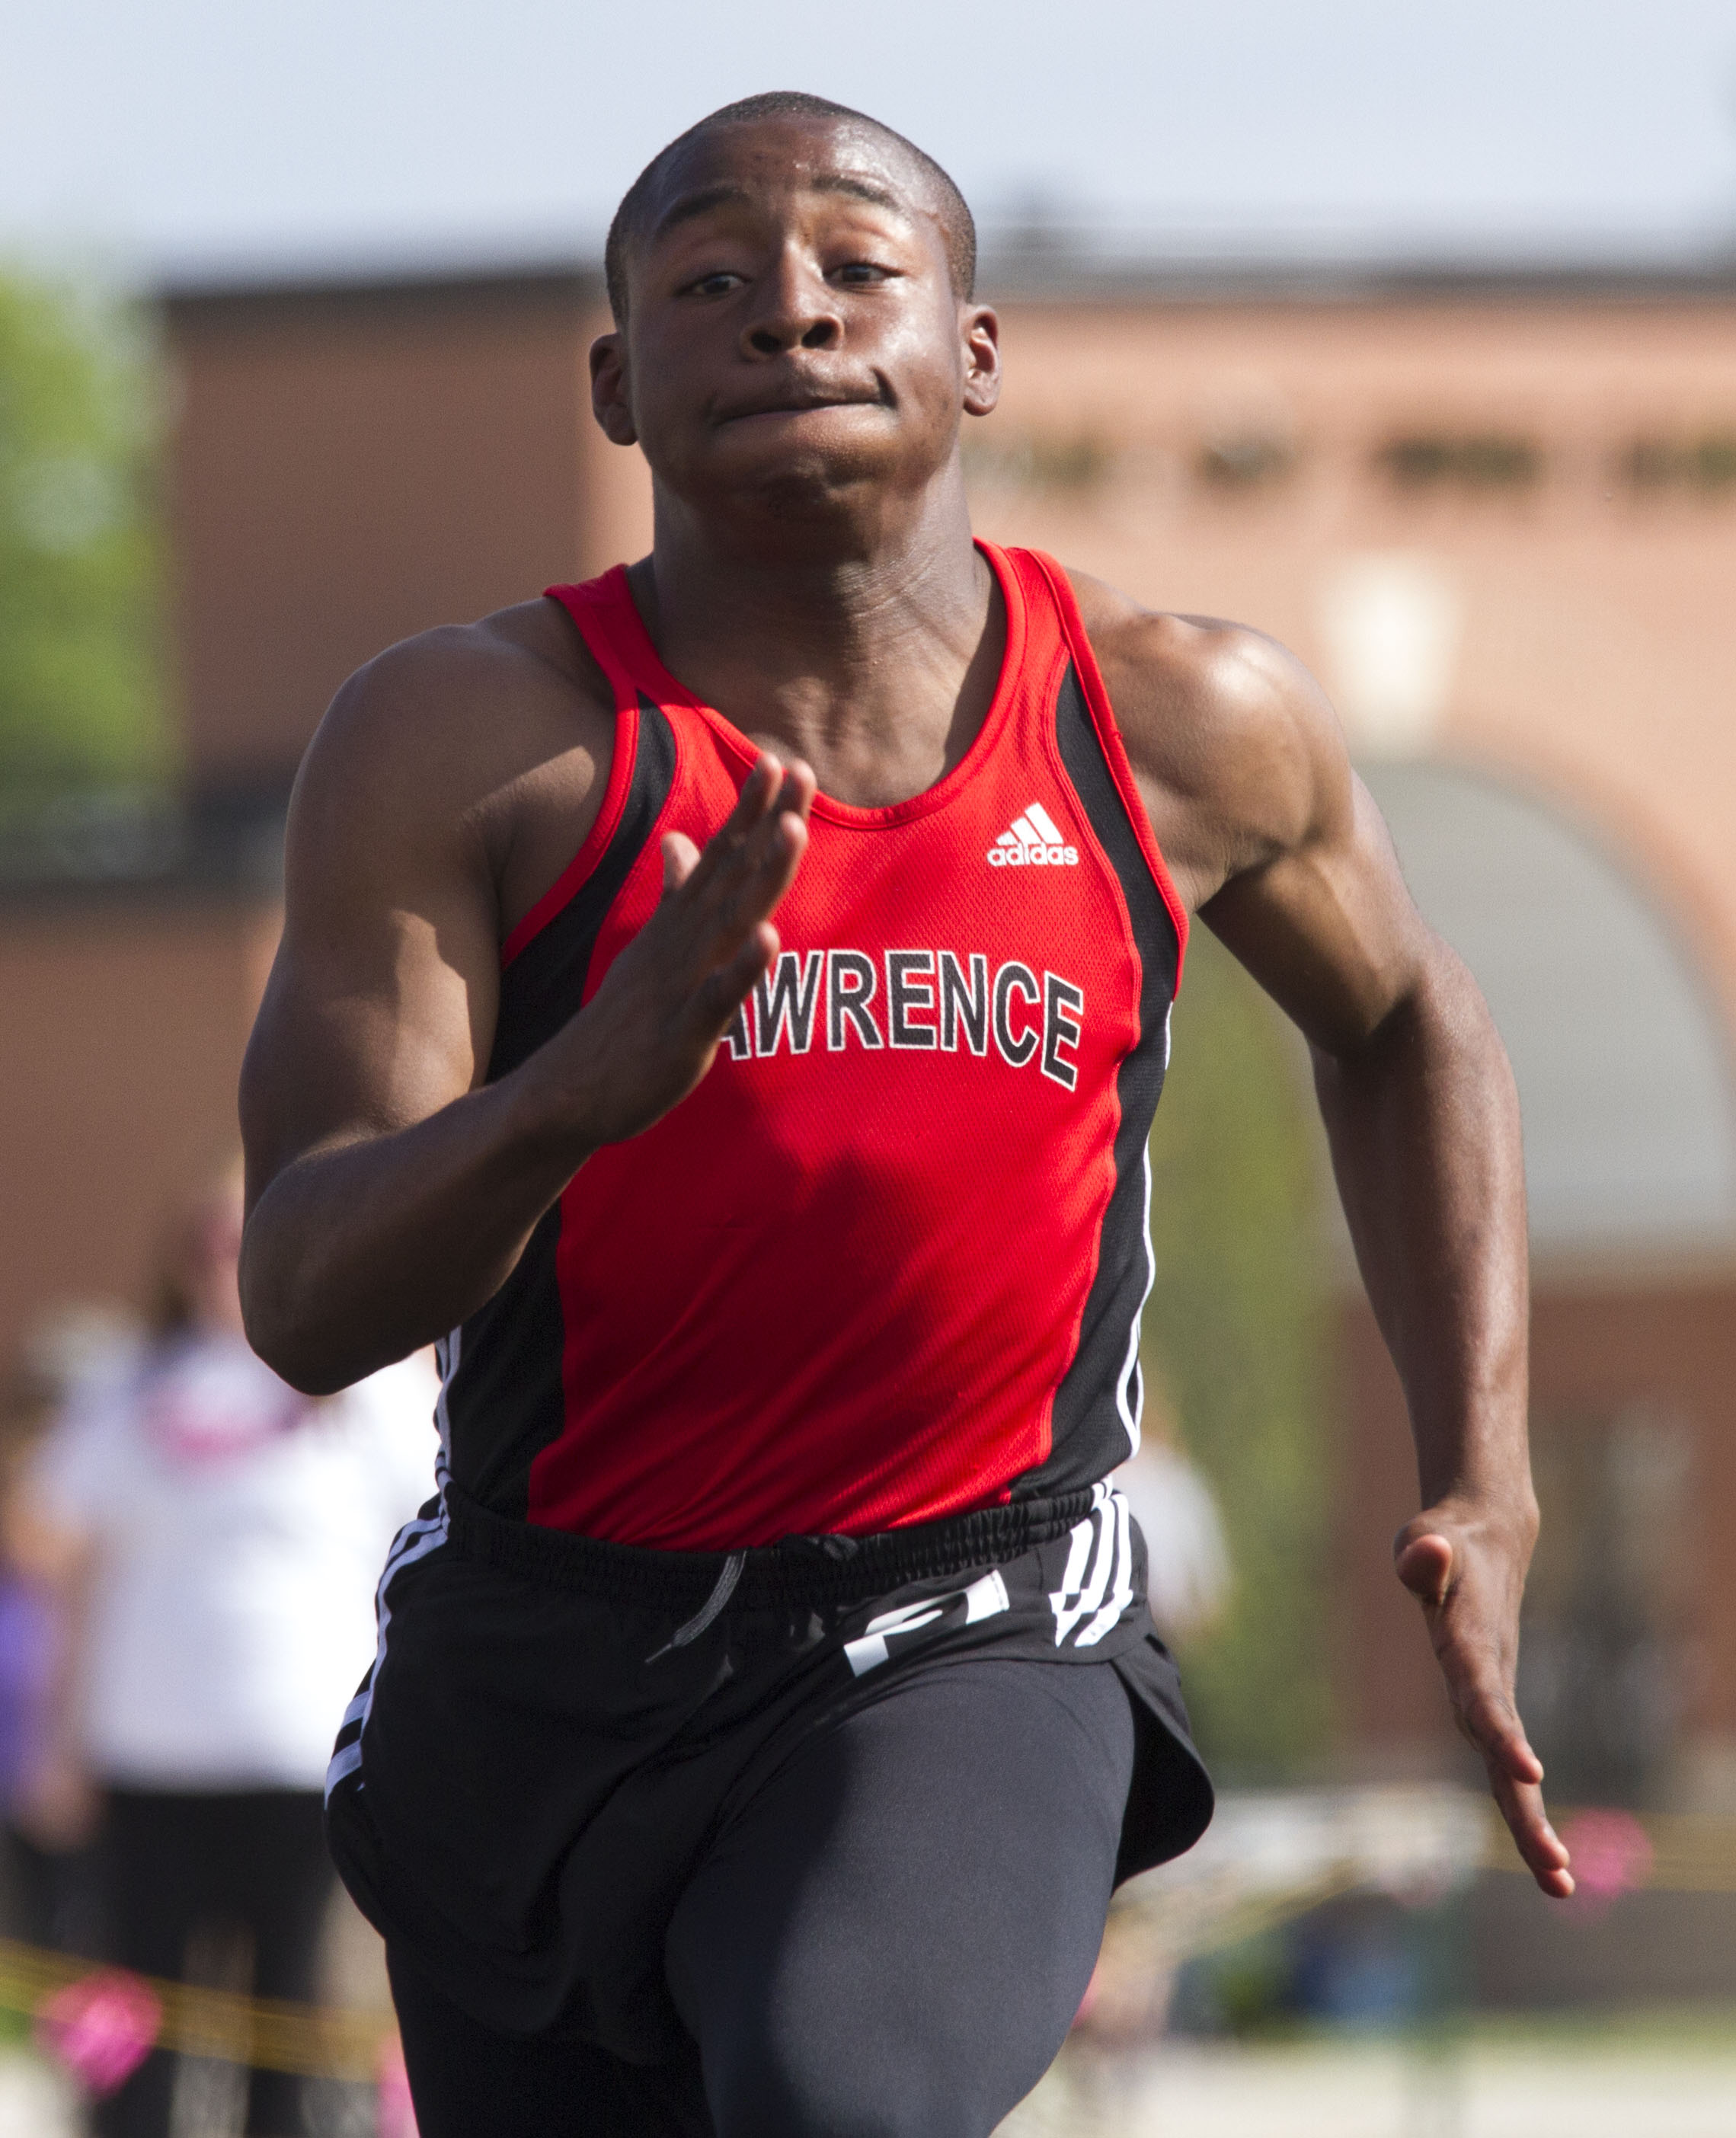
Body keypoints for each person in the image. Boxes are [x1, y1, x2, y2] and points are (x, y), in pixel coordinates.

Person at [237, 90, 1572, 2138]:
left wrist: (1479, 1467)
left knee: (838, 2095)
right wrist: (565, 1103)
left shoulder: (1171, 719)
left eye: (855, 268)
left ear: (970, 345)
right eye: (708, 280)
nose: (787, 313)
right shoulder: (471, 742)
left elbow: (1404, 1016)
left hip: (967, 1616)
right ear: (613, 379)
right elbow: (307, 1286)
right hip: (542, 1656)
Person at [18, 1163, 436, 2138]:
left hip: (306, 1764)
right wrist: (54, 1735)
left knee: (288, 2021)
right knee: (137, 2030)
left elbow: (433, 1548)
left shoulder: (371, 1384)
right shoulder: (130, 1387)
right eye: (205, 1240)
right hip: (149, 1765)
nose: (222, 1259)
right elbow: (53, 1553)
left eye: (241, 1237)